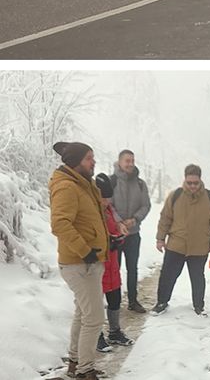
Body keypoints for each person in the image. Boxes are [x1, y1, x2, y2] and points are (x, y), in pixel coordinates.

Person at [48, 141, 107, 380]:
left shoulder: (83, 184)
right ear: (75, 162)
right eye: (88, 158)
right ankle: (85, 371)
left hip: (87, 262)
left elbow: (89, 218)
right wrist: (85, 251)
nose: (93, 162)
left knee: (83, 314)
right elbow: (60, 224)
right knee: (94, 318)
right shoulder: (67, 187)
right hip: (79, 263)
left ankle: (75, 362)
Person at [153, 164, 210, 316]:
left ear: (200, 181)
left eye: (195, 183)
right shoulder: (175, 196)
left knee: (198, 278)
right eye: (189, 182)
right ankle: (161, 302)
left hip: (199, 248)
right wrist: (160, 238)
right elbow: (165, 218)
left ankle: (199, 305)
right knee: (167, 275)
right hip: (176, 246)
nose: (192, 186)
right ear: (184, 180)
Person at [94, 173, 134, 351]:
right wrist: (108, 241)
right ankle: (96, 336)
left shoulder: (109, 210)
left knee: (115, 298)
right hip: (97, 264)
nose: (106, 202)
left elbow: (116, 229)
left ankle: (114, 332)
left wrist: (119, 236)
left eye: (108, 198)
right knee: (95, 301)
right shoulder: (90, 211)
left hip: (112, 263)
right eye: (103, 198)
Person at [111, 149, 150, 313]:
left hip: (133, 234)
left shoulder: (140, 184)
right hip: (115, 235)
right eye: (127, 161)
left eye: (132, 161)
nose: (130, 164)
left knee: (132, 268)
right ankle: (115, 302)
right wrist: (119, 221)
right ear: (119, 162)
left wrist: (134, 219)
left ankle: (133, 301)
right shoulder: (110, 181)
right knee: (115, 269)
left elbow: (146, 205)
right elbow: (106, 205)